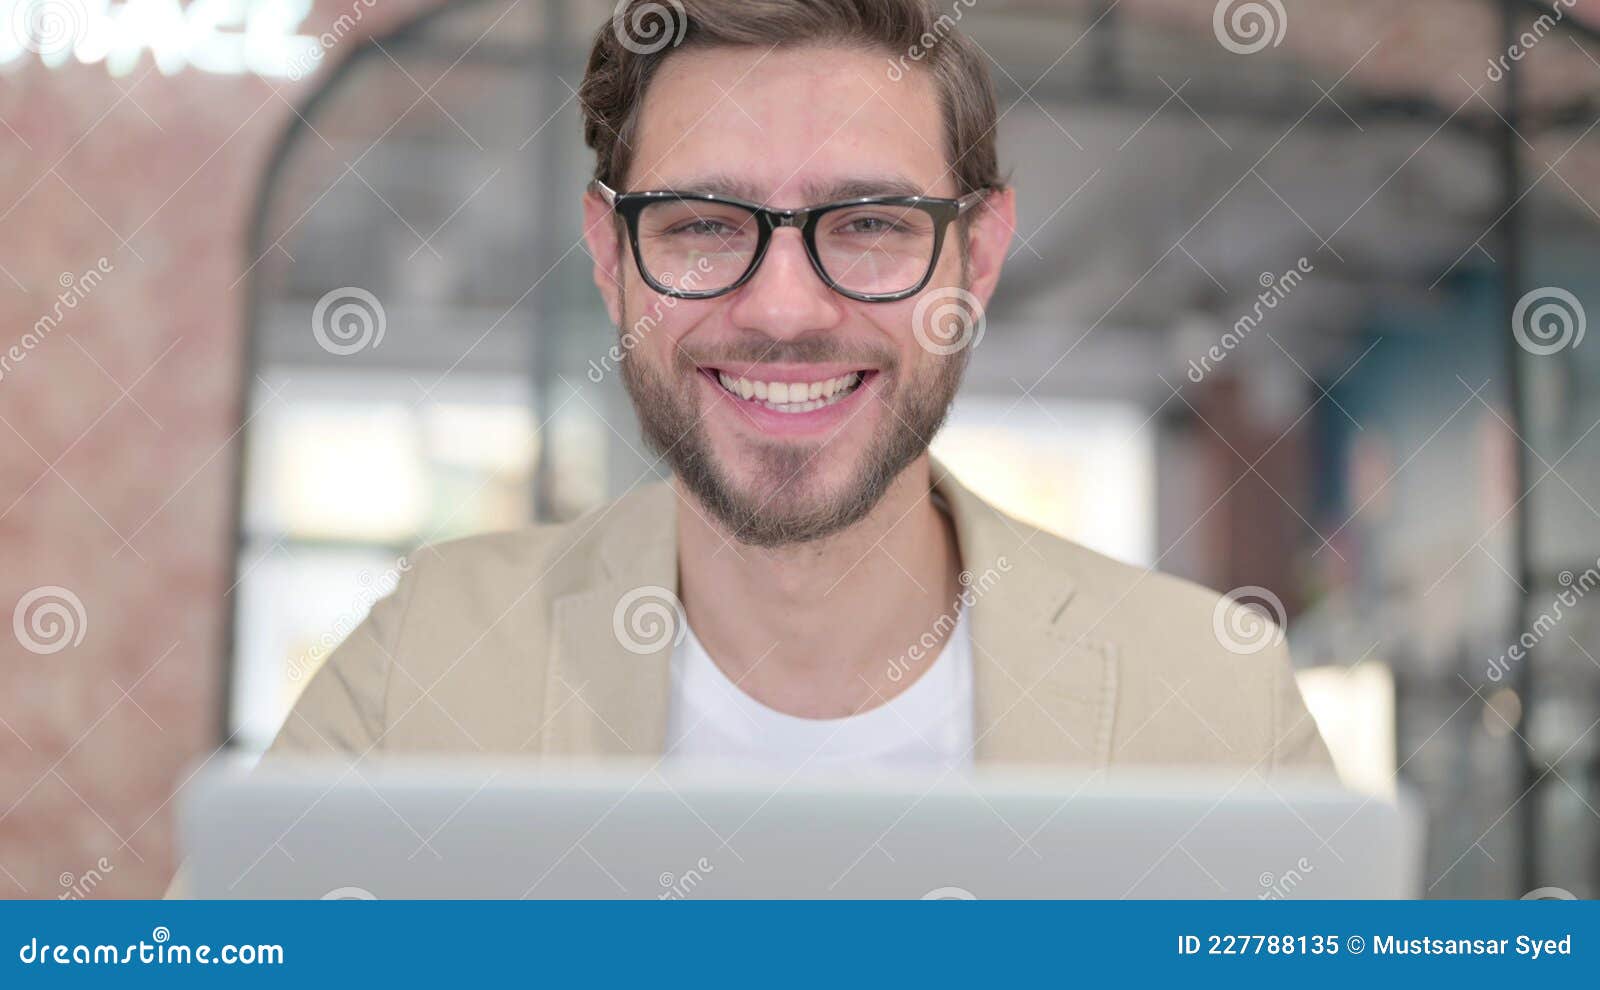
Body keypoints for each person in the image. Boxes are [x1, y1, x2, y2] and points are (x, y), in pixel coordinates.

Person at [268, 0, 1334, 777]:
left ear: (980, 254)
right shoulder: (426, 662)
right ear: (608, 255)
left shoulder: (1213, 700)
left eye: (868, 224)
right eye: (701, 225)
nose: (784, 311)